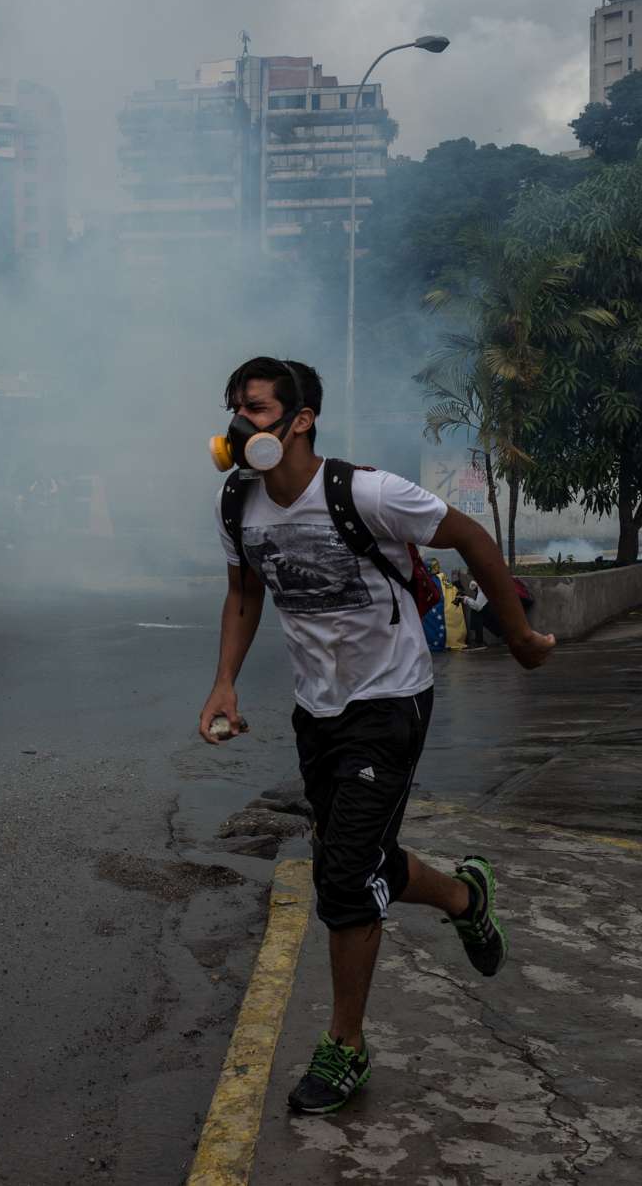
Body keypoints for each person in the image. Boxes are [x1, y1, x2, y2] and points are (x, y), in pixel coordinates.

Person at [197, 356, 554, 1116]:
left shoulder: (368, 492)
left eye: (255, 409)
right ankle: (465, 896)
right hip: (316, 708)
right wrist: (224, 680)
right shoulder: (238, 502)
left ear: (300, 420)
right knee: (362, 857)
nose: (238, 424)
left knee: (344, 878)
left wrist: (517, 633)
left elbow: (473, 539)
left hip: (390, 700)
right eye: (234, 408)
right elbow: (243, 592)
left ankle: (345, 1049)